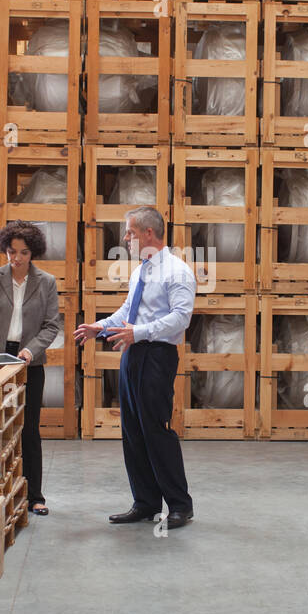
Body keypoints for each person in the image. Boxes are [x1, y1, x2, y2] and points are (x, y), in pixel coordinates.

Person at [73, 205, 197, 529]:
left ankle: (180, 506)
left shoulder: (177, 271)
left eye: (130, 232)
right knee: (132, 431)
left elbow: (180, 319)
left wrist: (137, 333)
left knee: (157, 430)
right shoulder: (140, 271)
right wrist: (98, 328)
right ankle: (145, 502)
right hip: (132, 354)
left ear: (148, 233)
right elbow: (127, 312)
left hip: (157, 356)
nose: (126, 238)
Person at [0, 220, 61, 515]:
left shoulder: (46, 282)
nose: (17, 258)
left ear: (32, 253)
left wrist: (31, 350)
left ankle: (35, 496)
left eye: (23, 252)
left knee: (29, 428)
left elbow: (52, 326)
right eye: (12, 251)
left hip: (30, 361)